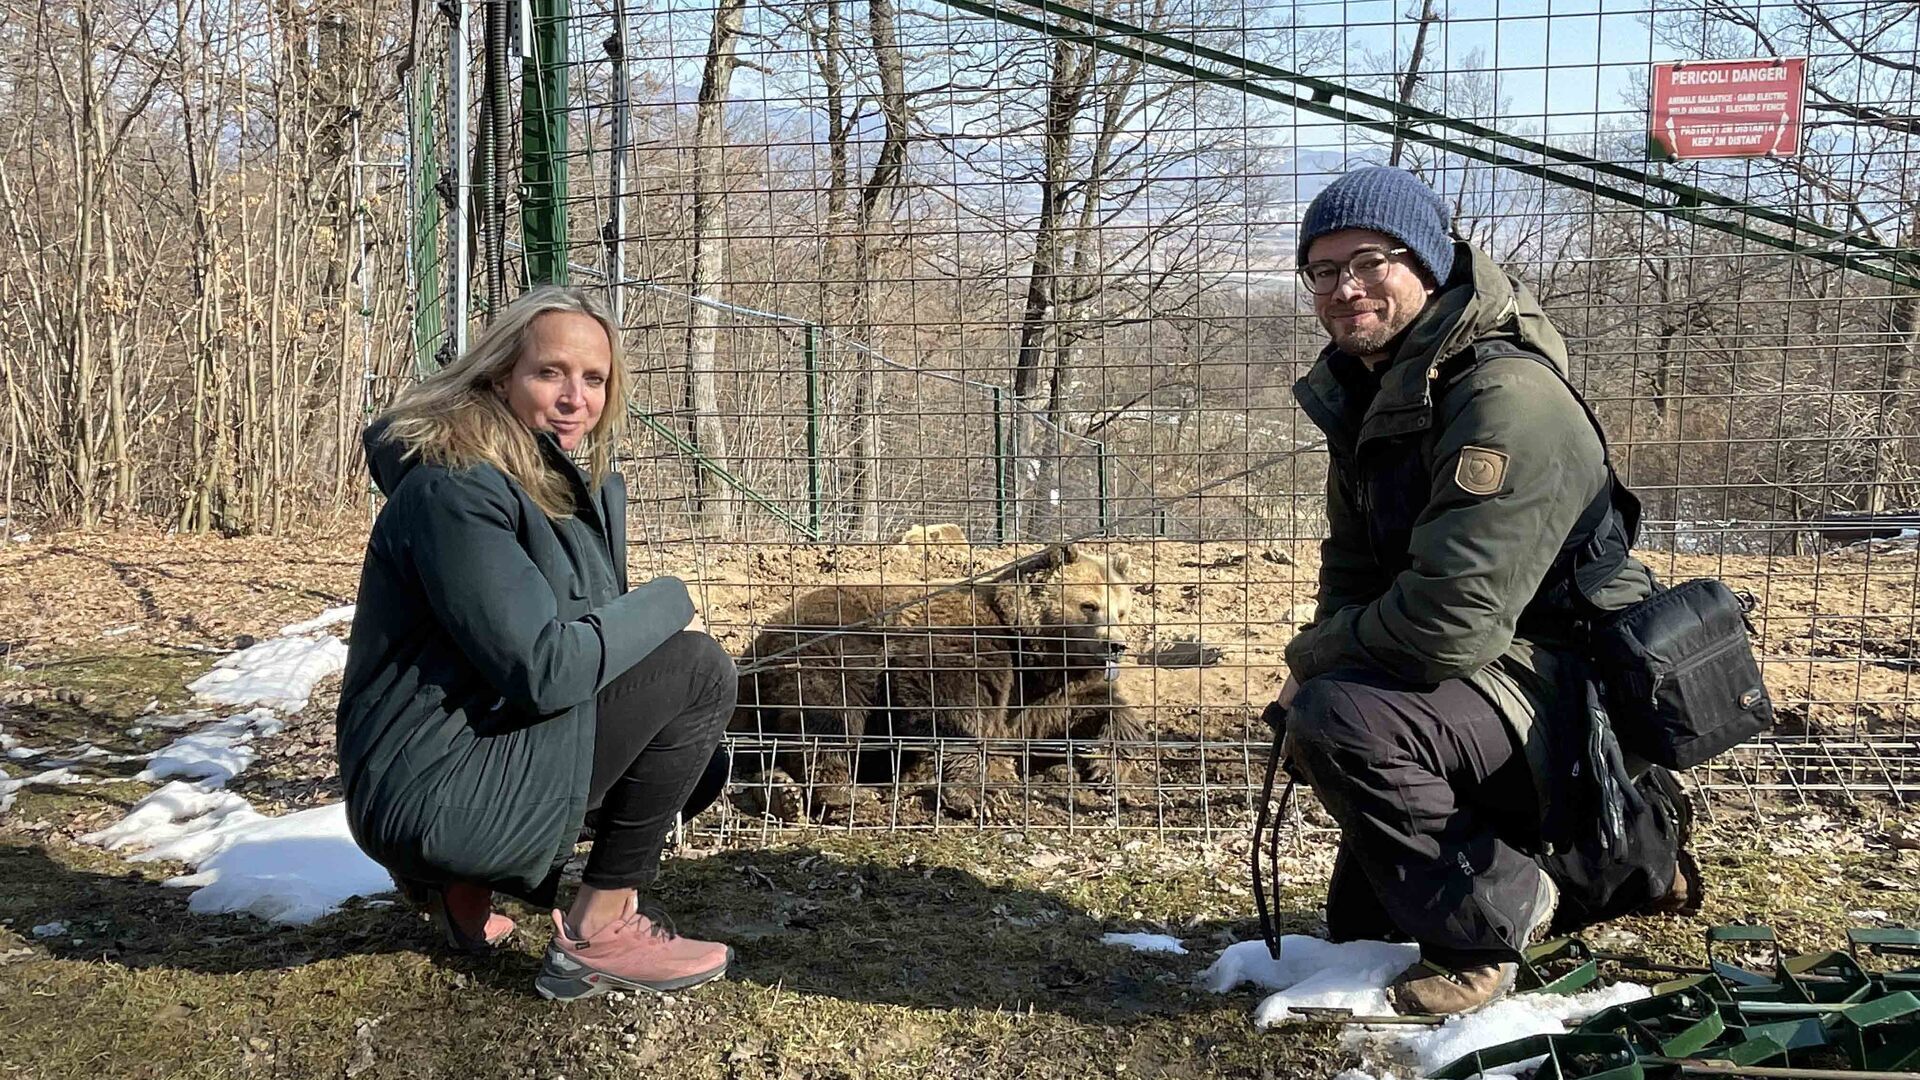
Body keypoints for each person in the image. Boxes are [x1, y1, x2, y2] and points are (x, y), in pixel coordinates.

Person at [1274, 167, 1700, 1015]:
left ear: (1428, 265)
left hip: (1575, 688)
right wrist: (1312, 663)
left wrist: (1313, 662)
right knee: (1359, 917)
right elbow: (1352, 569)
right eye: (1323, 270)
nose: (1345, 288)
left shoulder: (1503, 398)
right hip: (1497, 669)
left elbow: (1448, 626)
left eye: (1370, 261)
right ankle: (1604, 866)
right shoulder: (1376, 390)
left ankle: (1496, 920)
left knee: (1339, 716)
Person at [336, 285, 738, 1001]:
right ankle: (597, 932)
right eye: (550, 372)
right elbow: (546, 669)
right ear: (500, 377)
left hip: (470, 756)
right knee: (698, 671)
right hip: (426, 787)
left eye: (594, 379)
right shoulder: (454, 488)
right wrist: (671, 598)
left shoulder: (566, 488)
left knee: (698, 762)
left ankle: (460, 884)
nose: (575, 398)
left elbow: (590, 659)